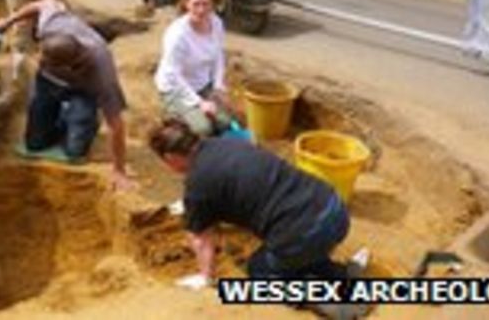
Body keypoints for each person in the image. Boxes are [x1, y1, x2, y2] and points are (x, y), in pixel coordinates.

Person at [149, 119, 355, 288]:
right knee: (296, 252)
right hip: (335, 209)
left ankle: (328, 302)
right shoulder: (228, 142)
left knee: (260, 271)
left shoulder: (198, 186)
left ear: (170, 157)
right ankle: (339, 275)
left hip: (306, 233)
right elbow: (243, 182)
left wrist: (205, 277)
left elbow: (201, 239)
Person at [0, 0, 133, 191]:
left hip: (83, 90)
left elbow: (116, 123)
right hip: (47, 83)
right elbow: (42, 3)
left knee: (75, 151)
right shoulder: (51, 24)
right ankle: (66, 117)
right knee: (35, 144)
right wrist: (8, 21)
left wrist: (119, 170)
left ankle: (85, 119)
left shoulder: (101, 68)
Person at [154, 0, 235, 137]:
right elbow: (174, 75)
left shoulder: (216, 23)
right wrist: (200, 103)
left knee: (224, 123)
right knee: (203, 129)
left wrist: (218, 87)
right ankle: (172, 116)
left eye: (206, 4)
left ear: (213, 4)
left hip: (202, 84)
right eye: (196, 4)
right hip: (174, 88)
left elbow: (218, 55)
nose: (201, 10)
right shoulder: (177, 35)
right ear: (186, 3)